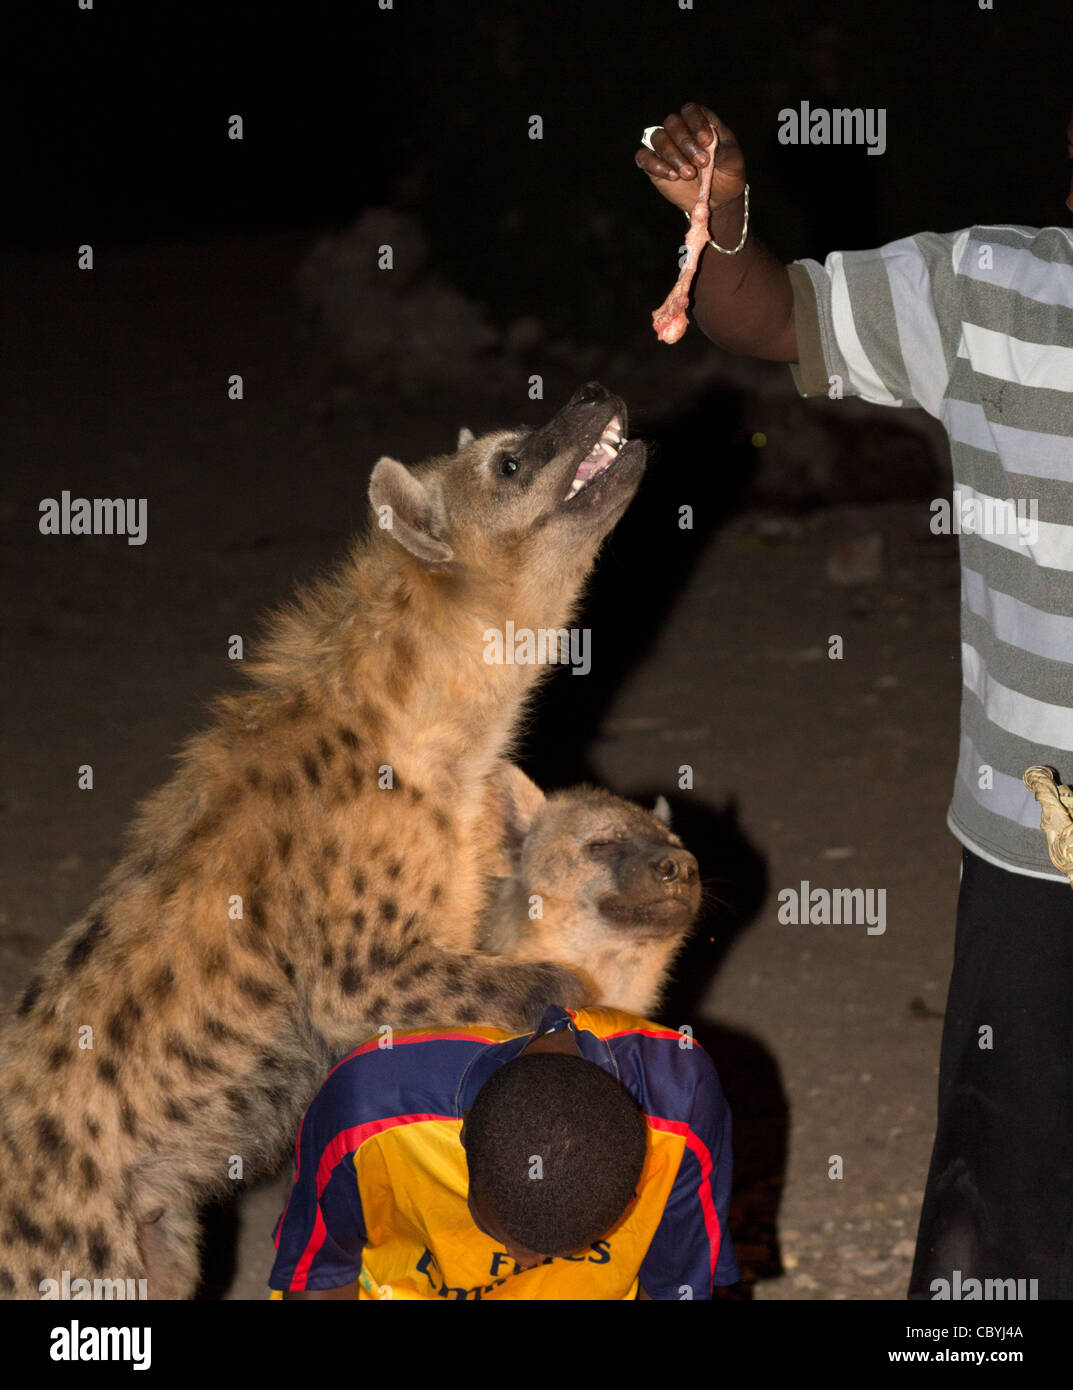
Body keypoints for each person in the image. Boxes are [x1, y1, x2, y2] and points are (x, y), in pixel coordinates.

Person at [635, 101, 1073, 1298]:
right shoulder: (992, 292)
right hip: (1034, 851)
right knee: (1003, 1214)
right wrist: (723, 221)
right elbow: (772, 316)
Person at [269, 1004, 739, 1299]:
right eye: (503, 1235)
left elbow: (675, 1286)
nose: (525, 1265)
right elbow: (320, 1273)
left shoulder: (682, 1103)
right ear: (464, 1136)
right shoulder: (368, 1106)